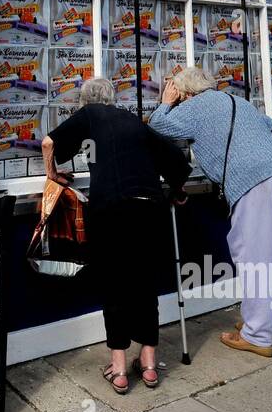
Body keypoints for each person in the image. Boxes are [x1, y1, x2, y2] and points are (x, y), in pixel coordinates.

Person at [41, 77, 190, 394]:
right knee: (145, 282)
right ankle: (149, 364)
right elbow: (177, 160)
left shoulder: (91, 114)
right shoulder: (132, 121)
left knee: (114, 283)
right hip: (149, 206)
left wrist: (52, 174)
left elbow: (48, 143)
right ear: (112, 99)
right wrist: (177, 192)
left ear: (87, 102)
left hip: (111, 209)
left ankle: (120, 369)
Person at [151, 67, 272, 358]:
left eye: (178, 94)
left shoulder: (194, 107)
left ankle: (257, 335)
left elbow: (158, 124)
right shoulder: (237, 101)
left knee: (255, 258)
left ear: (185, 93)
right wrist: (265, 157)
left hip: (255, 183)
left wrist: (167, 101)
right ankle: (268, 326)